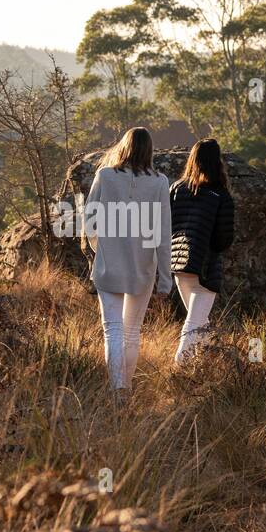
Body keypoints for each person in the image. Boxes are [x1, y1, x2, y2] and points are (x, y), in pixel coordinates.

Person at [82, 127, 172, 391]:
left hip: (109, 267)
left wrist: (102, 248)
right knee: (132, 331)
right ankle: (126, 387)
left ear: (123, 146)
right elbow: (163, 234)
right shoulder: (159, 182)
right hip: (142, 270)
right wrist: (165, 280)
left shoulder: (105, 176)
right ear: (149, 151)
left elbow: (89, 223)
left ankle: (118, 388)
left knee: (113, 330)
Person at [169, 139, 235, 363]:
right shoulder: (221, 195)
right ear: (217, 162)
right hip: (205, 269)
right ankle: (179, 370)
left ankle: (211, 366)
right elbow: (223, 240)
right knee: (194, 325)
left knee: (200, 323)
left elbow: (167, 226)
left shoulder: (177, 189)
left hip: (179, 266)